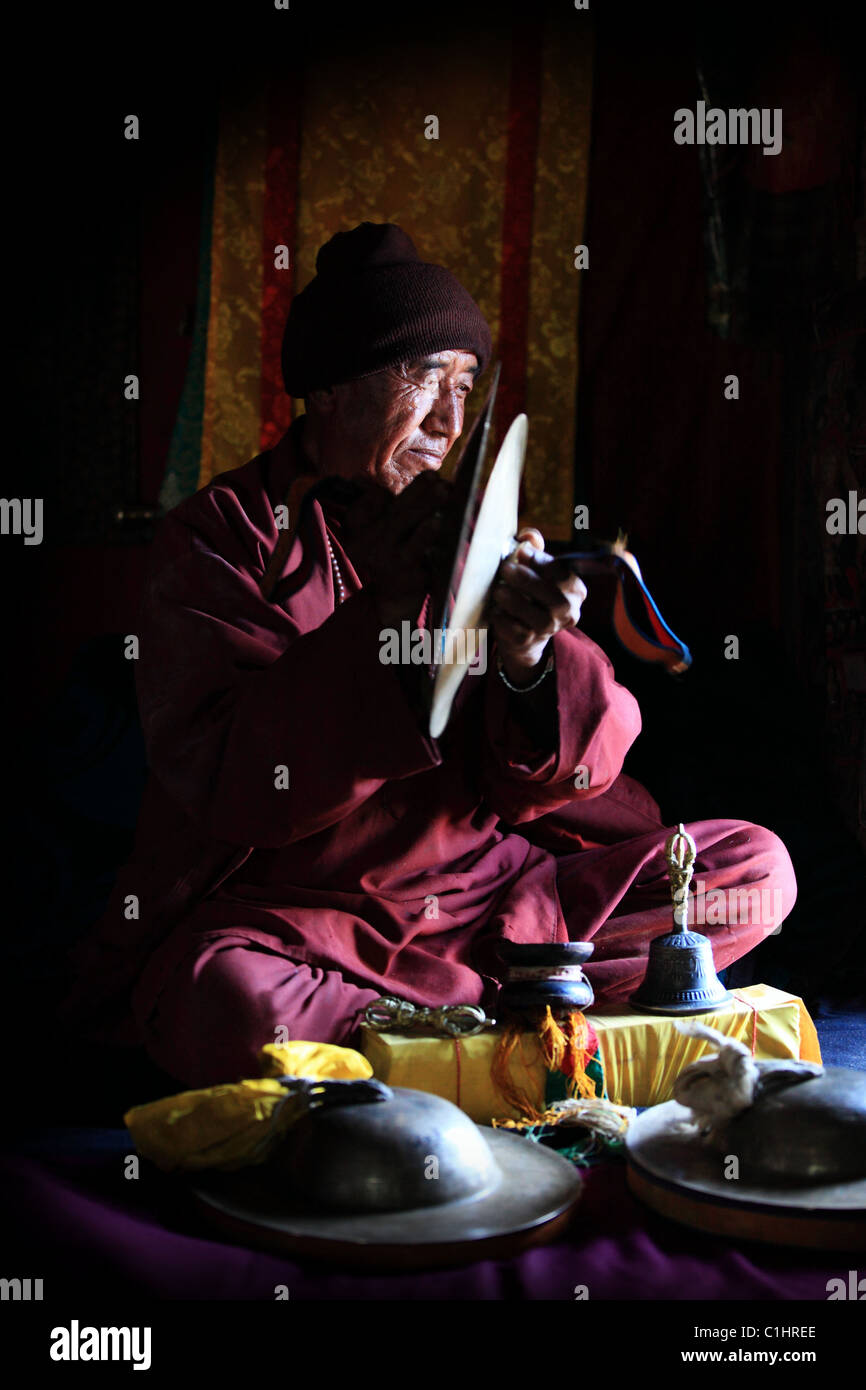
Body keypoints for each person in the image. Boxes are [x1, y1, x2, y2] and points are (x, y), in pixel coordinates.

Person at [63, 222, 797, 1087]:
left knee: (755, 870)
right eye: (424, 379)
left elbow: (567, 779)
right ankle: (517, 1033)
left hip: (496, 902)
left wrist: (529, 659)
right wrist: (387, 614)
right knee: (221, 998)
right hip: (311, 919)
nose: (452, 421)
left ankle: (440, 1044)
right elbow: (236, 782)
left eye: (466, 386)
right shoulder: (220, 539)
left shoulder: (464, 536)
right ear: (331, 390)